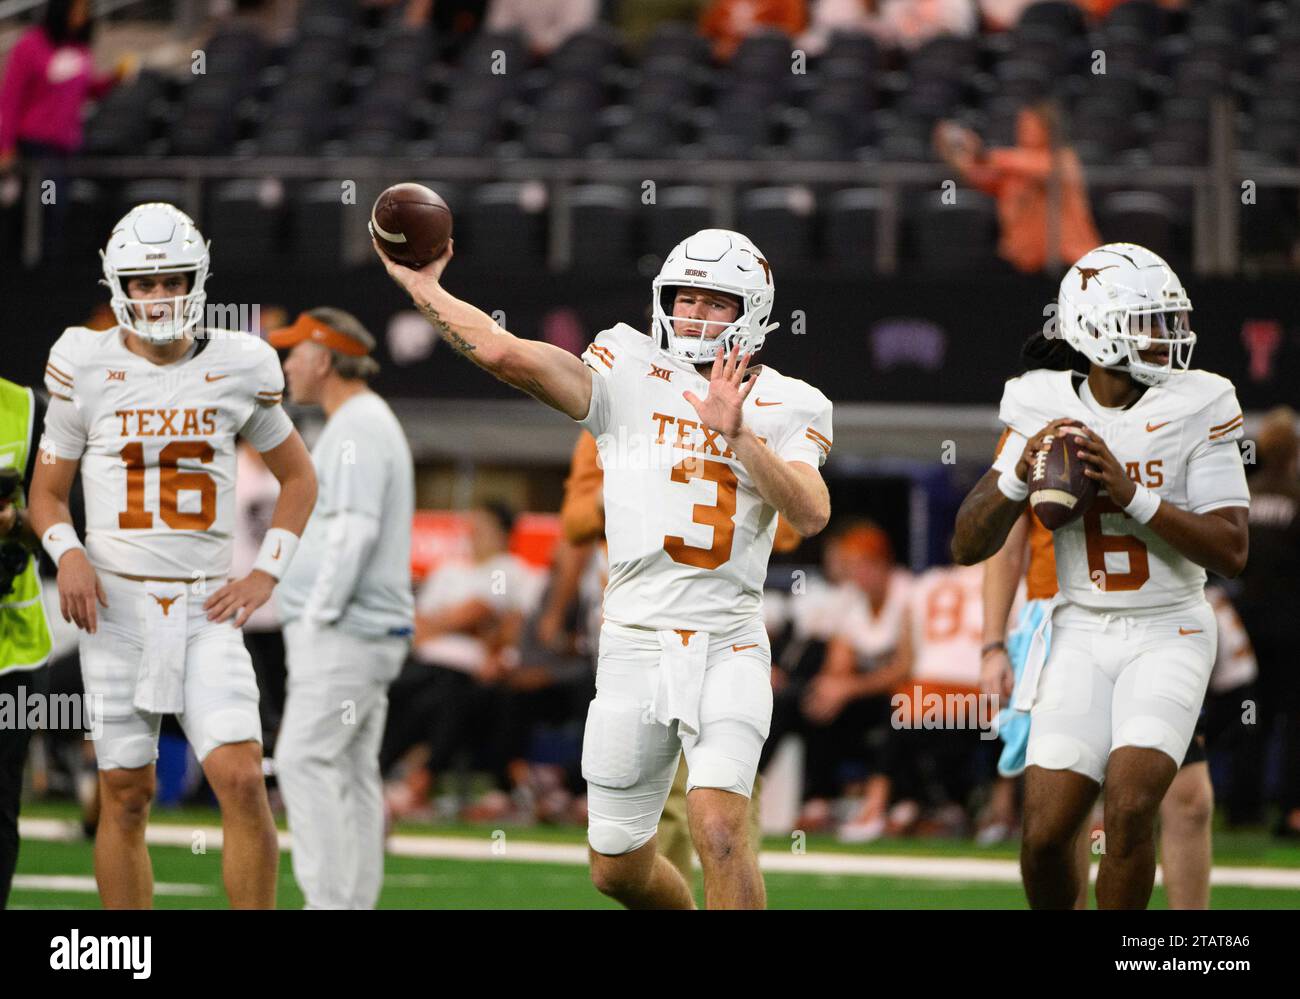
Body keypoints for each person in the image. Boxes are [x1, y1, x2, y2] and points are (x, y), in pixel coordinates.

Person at [375, 227, 832, 910]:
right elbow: (506, 353)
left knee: (720, 826)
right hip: (632, 642)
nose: (693, 315)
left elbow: (813, 511)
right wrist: (424, 287)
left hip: (727, 642)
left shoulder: (790, 401)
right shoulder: (627, 365)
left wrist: (738, 435)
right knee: (616, 868)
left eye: (715, 303)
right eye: (685, 297)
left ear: (754, 313)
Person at [27, 203, 318, 909]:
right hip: (115, 608)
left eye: (172, 280)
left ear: (199, 279)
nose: (159, 297)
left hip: (202, 604)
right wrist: (67, 553)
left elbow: (300, 478)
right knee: (126, 791)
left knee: (244, 778)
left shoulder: (240, 361)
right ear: (117, 287)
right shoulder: (83, 361)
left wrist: (265, 571)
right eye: (144, 284)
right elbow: (47, 494)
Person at [951, 242, 1249, 910]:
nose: (1168, 337)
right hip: (1078, 627)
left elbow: (1232, 548)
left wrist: (1130, 493)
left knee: (1132, 804)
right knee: (1046, 836)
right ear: (1094, 326)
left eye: (1170, 320)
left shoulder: (1200, 402)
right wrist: (1012, 477)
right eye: (1150, 321)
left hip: (1169, 625)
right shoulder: (1040, 404)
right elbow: (969, 542)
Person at [981, 360, 1217, 907]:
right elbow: (1003, 541)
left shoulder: (1171, 419)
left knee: (1183, 798)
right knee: (1063, 814)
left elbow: (1217, 533)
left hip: (1157, 620)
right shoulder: (1037, 427)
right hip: (1062, 614)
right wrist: (994, 640)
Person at [268, 308, 415, 910]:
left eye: (294, 352)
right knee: (351, 770)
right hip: (363, 631)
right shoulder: (360, 422)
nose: (285, 365)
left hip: (346, 632)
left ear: (324, 359)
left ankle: (327, 904)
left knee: (302, 758)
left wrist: (313, 616)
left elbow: (353, 533)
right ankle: (349, 905)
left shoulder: (356, 428)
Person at [0, 0, 137, 261]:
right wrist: (5, 146)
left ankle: (50, 270)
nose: (81, 16)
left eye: (85, 11)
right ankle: (28, 269)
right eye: (76, 10)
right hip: (36, 148)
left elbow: (85, 91)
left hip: (67, 148)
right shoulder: (31, 45)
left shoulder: (79, 48)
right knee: (41, 209)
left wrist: (114, 79)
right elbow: (11, 98)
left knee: (58, 213)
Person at [0, 377, 55, 908]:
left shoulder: (27, 408)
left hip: (11, 650)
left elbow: (61, 521)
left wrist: (13, 521)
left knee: (0, 806)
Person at [933, 102, 1101, 276]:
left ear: (1047, 127)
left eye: (1030, 125)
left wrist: (982, 153)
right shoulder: (1012, 170)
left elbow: (1040, 168)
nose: (1023, 129)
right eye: (1022, 124)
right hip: (1024, 265)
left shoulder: (1063, 159)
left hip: (1070, 264)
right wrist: (957, 154)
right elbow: (977, 175)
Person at [1235, 406, 1300, 837]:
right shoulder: (1297, 498)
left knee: (1248, 714)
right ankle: (1290, 807)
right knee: (1293, 717)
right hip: (1291, 626)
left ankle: (1242, 805)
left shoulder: (1244, 498)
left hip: (1246, 624)